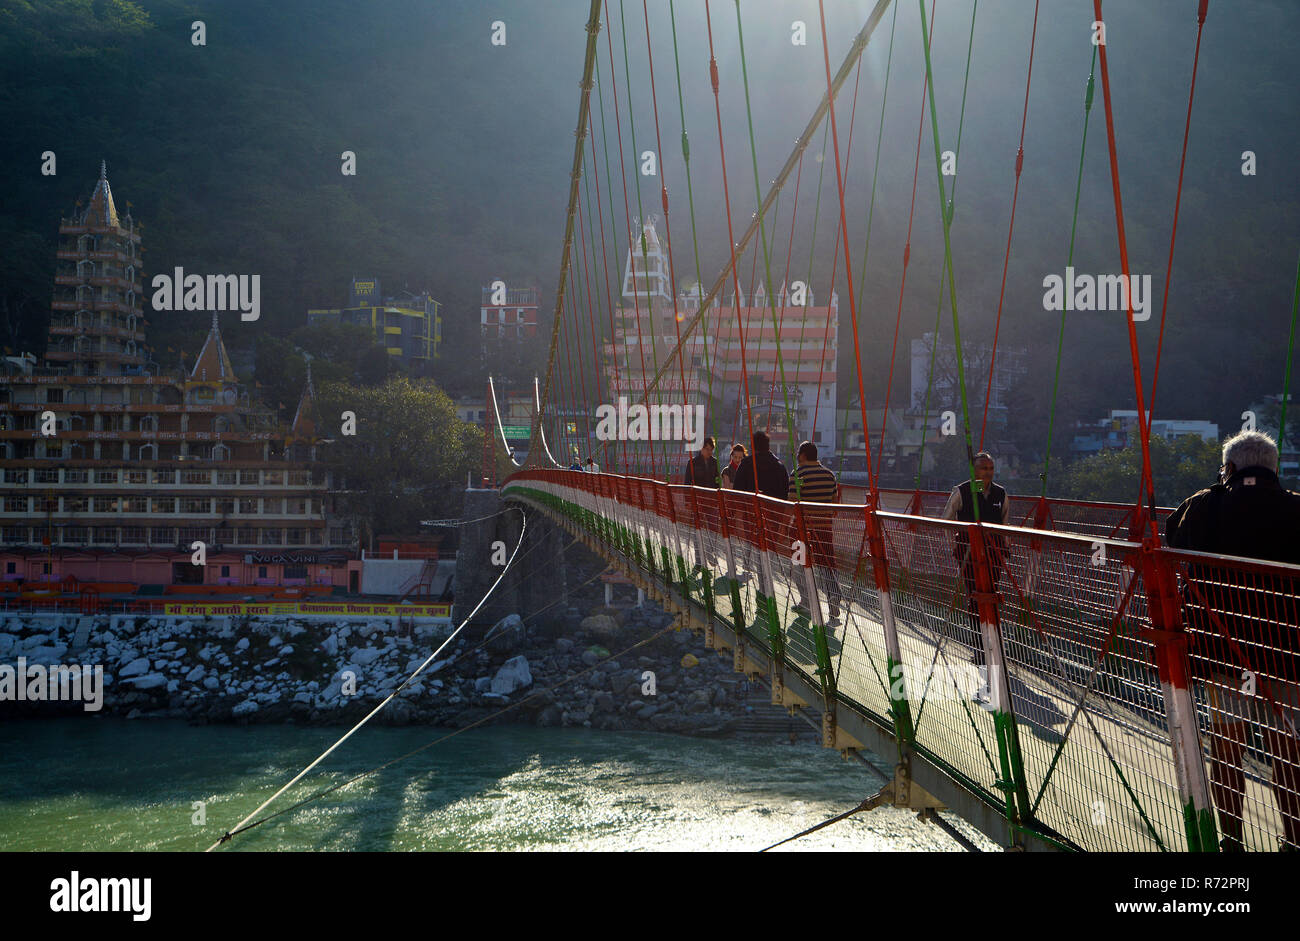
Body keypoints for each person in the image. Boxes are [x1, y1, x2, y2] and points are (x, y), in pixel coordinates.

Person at [1165, 429, 1300, 852]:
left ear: (1229, 467)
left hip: (1226, 654)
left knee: (1227, 746)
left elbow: (1173, 537)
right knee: (1289, 750)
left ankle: (1232, 842)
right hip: (1286, 654)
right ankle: (1294, 840)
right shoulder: (1296, 508)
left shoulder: (1203, 506)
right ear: (1273, 467)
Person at [940, 452, 1011, 681]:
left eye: (990, 468)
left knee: (991, 596)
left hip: (994, 553)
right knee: (974, 596)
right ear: (974, 470)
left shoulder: (1001, 493)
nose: (988, 472)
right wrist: (958, 542)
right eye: (983, 468)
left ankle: (994, 647)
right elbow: (946, 520)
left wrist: (1005, 548)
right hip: (969, 553)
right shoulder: (961, 492)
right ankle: (980, 648)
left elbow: (1004, 522)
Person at [789, 440, 842, 624]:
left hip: (801, 528)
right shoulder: (829, 475)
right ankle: (834, 600)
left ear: (802, 455)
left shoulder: (797, 474)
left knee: (799, 563)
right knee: (827, 565)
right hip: (824, 527)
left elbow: (792, 502)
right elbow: (835, 504)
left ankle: (805, 600)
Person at [732, 430, 789, 499]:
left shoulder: (746, 465)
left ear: (753, 447)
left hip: (750, 507)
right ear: (768, 445)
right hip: (773, 508)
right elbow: (785, 493)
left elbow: (737, 491)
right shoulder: (780, 467)